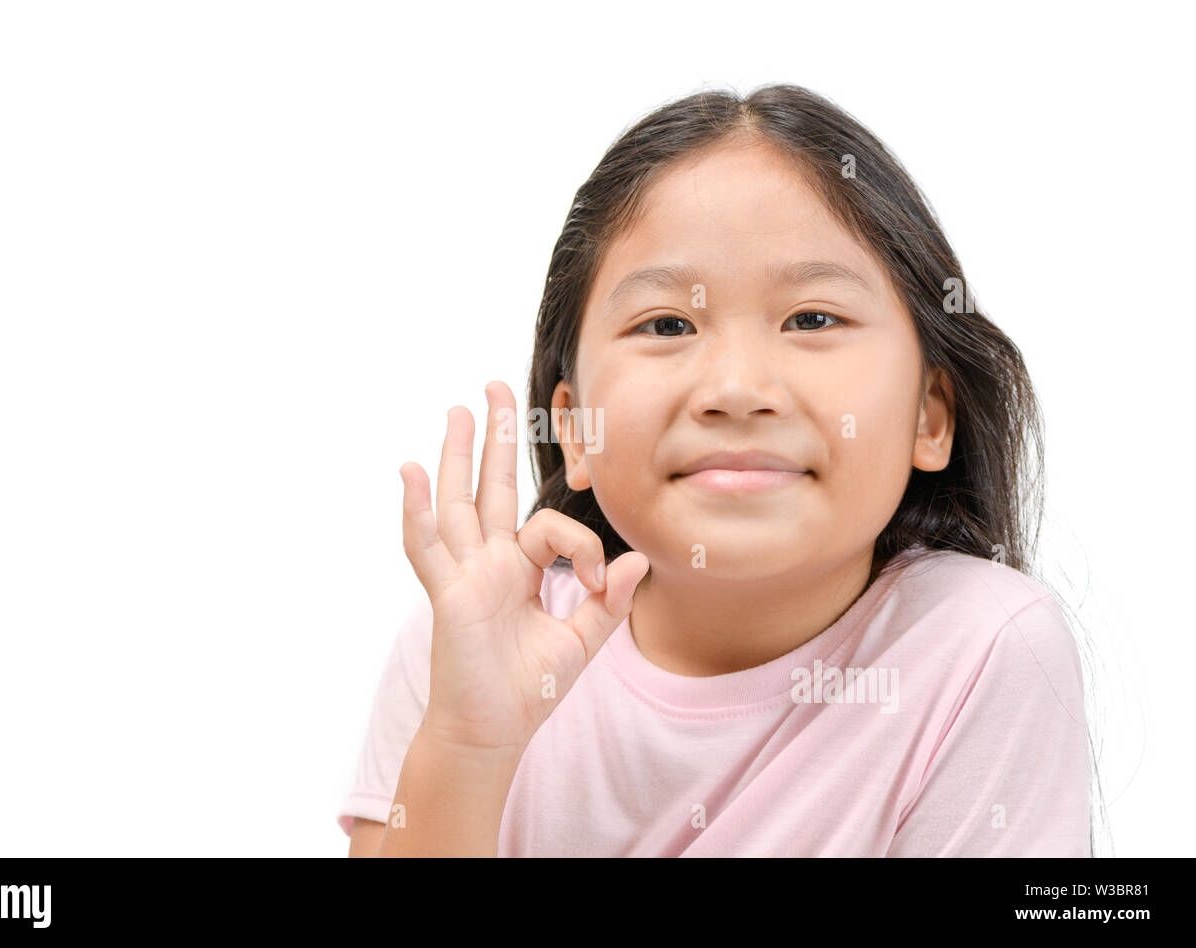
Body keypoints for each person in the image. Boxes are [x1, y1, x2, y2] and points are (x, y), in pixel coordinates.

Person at [339, 83, 1095, 857]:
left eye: (812, 318)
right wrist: (468, 748)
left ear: (930, 416)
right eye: (667, 324)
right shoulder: (472, 637)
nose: (736, 389)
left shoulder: (978, 646)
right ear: (574, 430)